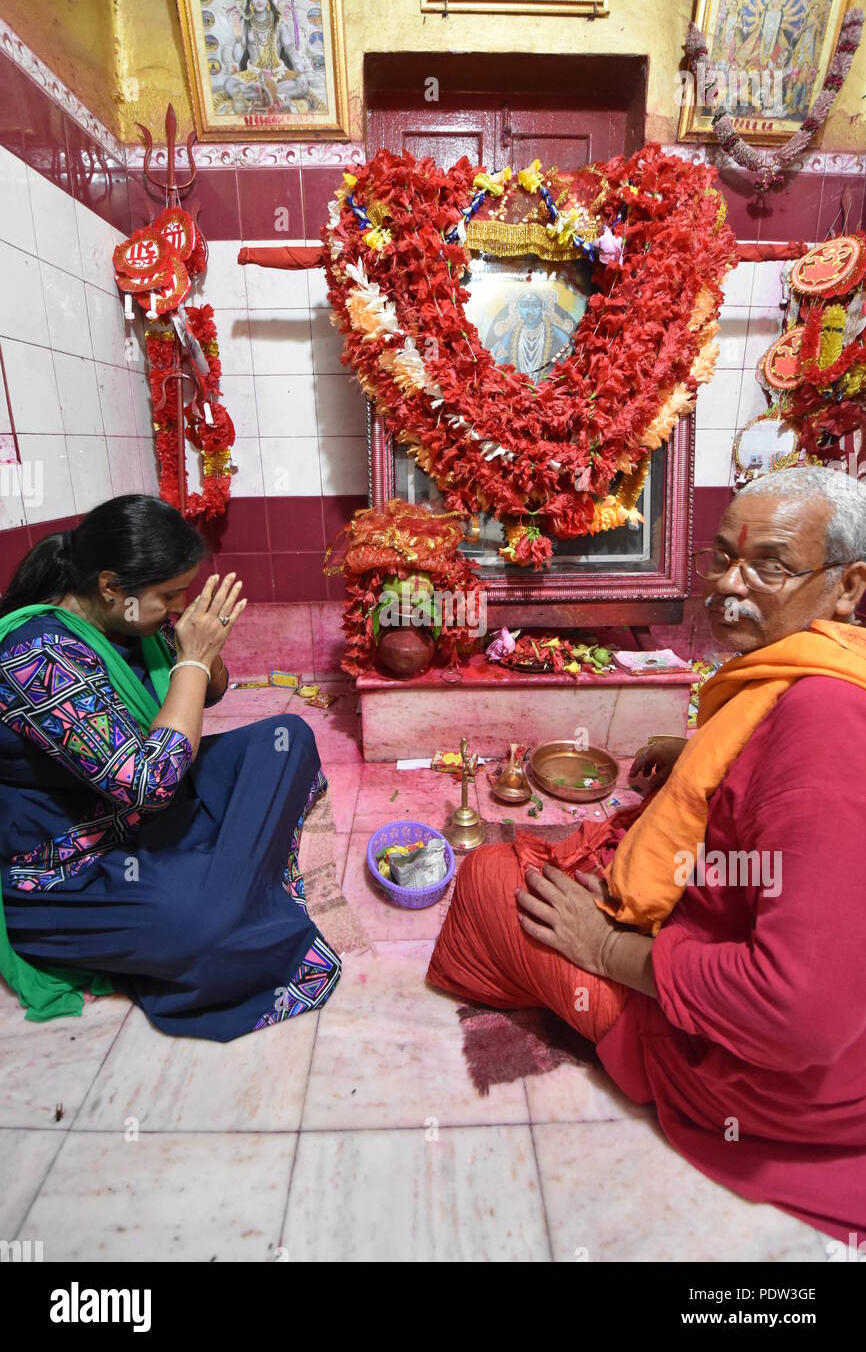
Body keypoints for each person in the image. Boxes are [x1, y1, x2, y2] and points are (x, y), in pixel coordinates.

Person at [428, 467, 866, 1242]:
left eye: (769, 565)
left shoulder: (824, 731)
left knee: (493, 880)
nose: (731, 583)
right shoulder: (827, 665)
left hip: (767, 1082)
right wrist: (700, 758)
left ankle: (625, 1029)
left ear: (847, 585)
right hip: (783, 968)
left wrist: (610, 949)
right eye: (722, 556)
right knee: (623, 834)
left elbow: (800, 1016)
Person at [0, 495, 341, 1040]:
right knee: (196, 920)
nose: (177, 607)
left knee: (285, 738)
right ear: (112, 587)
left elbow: (209, 694)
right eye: (169, 595)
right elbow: (149, 784)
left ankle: (229, 886)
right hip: (80, 865)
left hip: (153, 808)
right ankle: (229, 891)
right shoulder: (36, 655)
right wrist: (190, 659)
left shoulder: (130, 619)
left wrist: (204, 648)